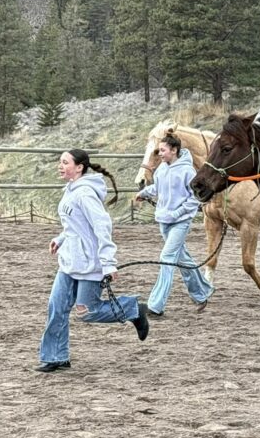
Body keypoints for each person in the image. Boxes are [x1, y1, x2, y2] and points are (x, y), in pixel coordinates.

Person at [37, 149, 149, 373]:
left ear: (79, 167)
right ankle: (56, 356)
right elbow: (74, 225)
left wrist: (108, 262)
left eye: (65, 162)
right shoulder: (70, 190)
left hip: (89, 263)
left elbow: (102, 226)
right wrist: (60, 239)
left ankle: (133, 309)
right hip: (70, 260)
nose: (60, 166)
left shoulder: (85, 193)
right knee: (56, 306)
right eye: (60, 162)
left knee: (89, 312)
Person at [135, 134, 214, 317]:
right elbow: (158, 188)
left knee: (166, 258)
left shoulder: (188, 171)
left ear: (174, 150)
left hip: (180, 222)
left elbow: (194, 198)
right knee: (182, 259)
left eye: (163, 150)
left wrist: (177, 213)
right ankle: (202, 293)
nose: (160, 154)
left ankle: (155, 306)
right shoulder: (162, 169)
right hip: (164, 221)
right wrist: (145, 193)